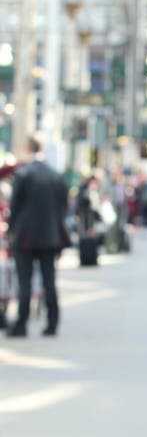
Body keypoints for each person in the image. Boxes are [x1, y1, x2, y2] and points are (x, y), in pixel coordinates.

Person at [6, 137, 68, 337]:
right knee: (49, 280)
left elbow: (14, 207)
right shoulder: (56, 175)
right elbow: (63, 208)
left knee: (24, 281)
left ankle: (22, 324)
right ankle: (52, 323)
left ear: (27, 148)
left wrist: (11, 230)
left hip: (26, 236)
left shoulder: (23, 174)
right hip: (50, 236)